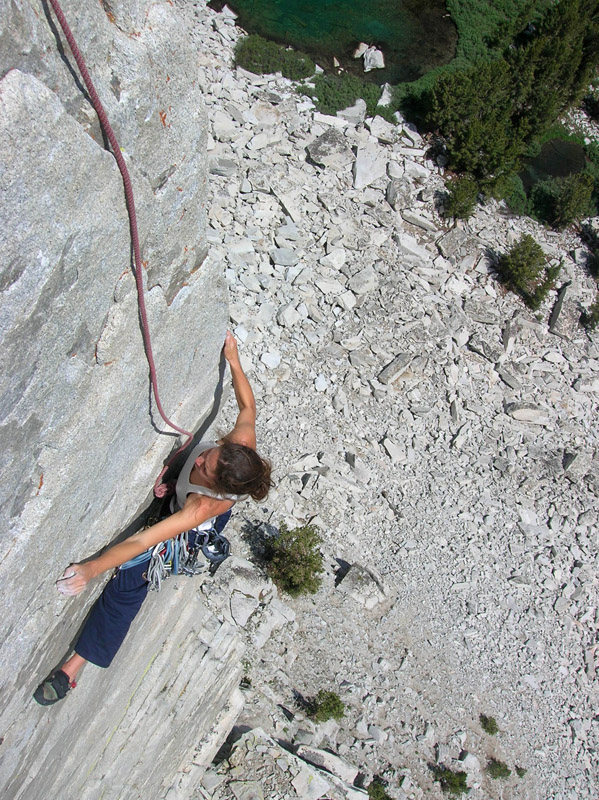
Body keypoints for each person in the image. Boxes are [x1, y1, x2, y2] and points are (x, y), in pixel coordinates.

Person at [34, 331, 271, 705]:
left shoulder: (202, 507)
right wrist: (234, 359)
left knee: (131, 579)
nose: (202, 457)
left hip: (191, 528)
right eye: (210, 453)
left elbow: (144, 541)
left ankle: (74, 667)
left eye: (205, 465)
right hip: (187, 500)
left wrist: (91, 569)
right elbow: (247, 407)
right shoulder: (240, 447)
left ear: (217, 484)